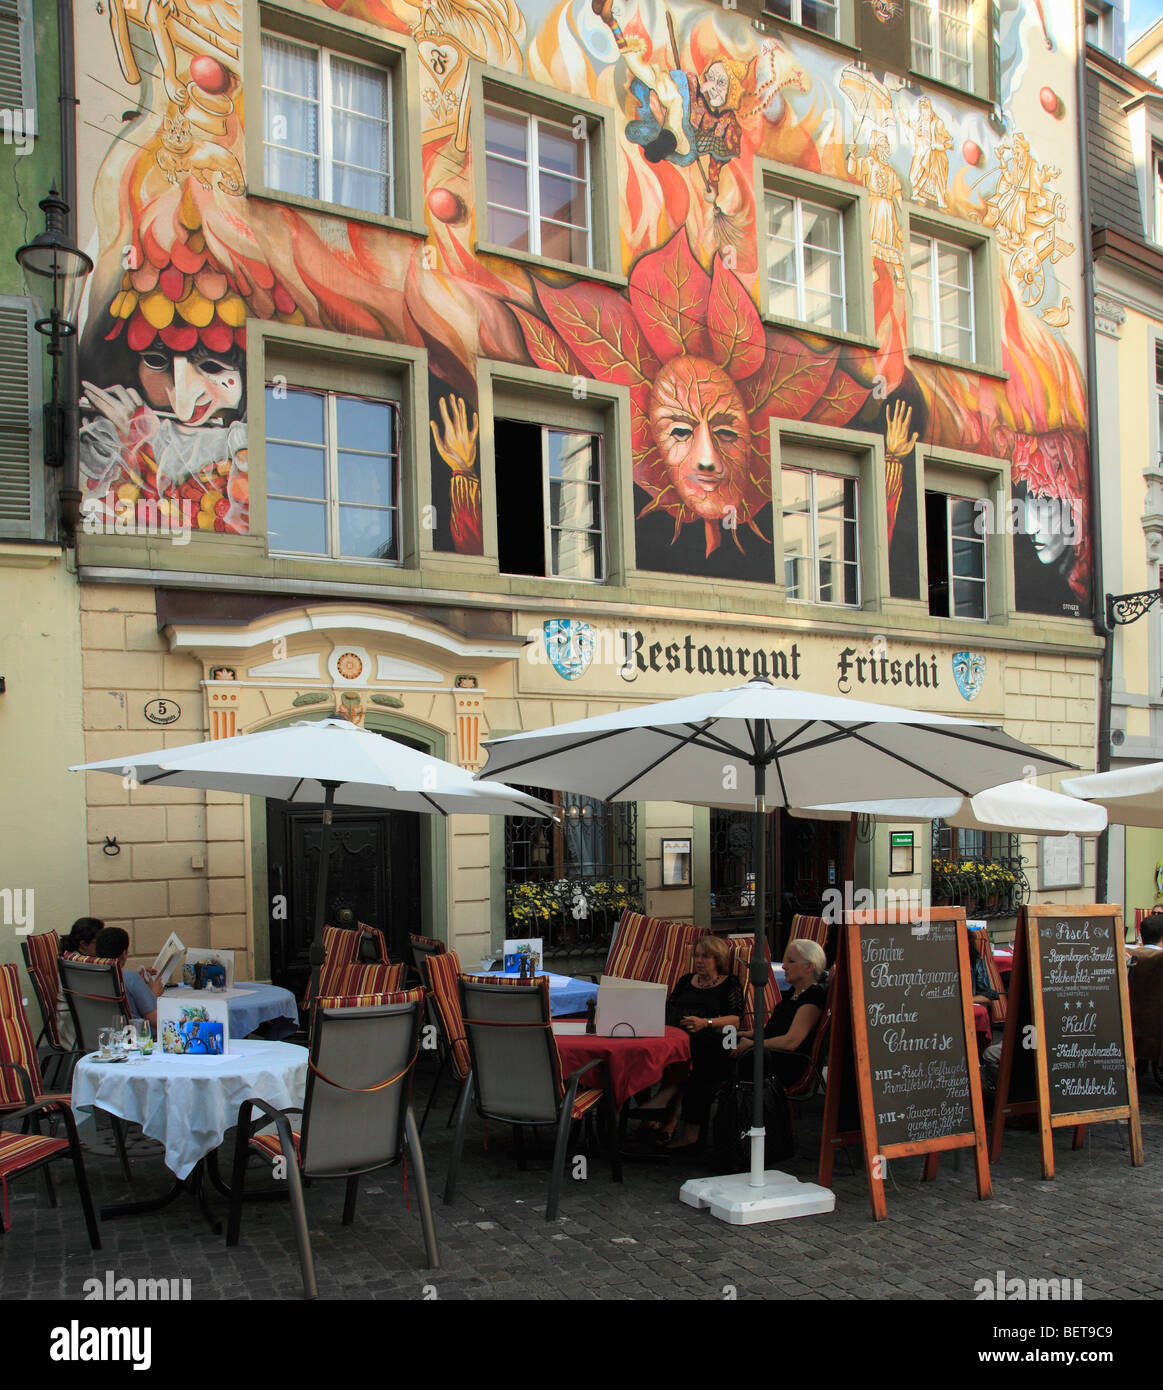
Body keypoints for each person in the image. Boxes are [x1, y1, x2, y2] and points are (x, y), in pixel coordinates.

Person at [635, 936, 743, 1151]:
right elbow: (669, 1008)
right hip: (677, 1036)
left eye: (706, 956)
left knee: (695, 1045)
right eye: (697, 956)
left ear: (718, 959)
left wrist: (705, 1022)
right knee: (643, 1044)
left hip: (713, 1039)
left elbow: (735, 1019)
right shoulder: (686, 980)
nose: (699, 961)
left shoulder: (729, 983)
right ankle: (663, 1116)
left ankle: (666, 1098)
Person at [731, 937, 827, 1087]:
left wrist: (753, 1044)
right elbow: (776, 1029)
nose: (783, 966)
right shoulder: (792, 994)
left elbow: (791, 1042)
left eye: (791, 961)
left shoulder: (812, 997)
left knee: (720, 1056)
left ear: (809, 967)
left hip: (784, 1063)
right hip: (767, 1051)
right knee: (718, 1040)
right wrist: (743, 1034)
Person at [94, 927, 165, 1031]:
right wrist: (154, 994)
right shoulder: (129, 978)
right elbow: (157, 1020)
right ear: (123, 954)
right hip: (132, 1041)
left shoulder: (90, 978)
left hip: (101, 1039)